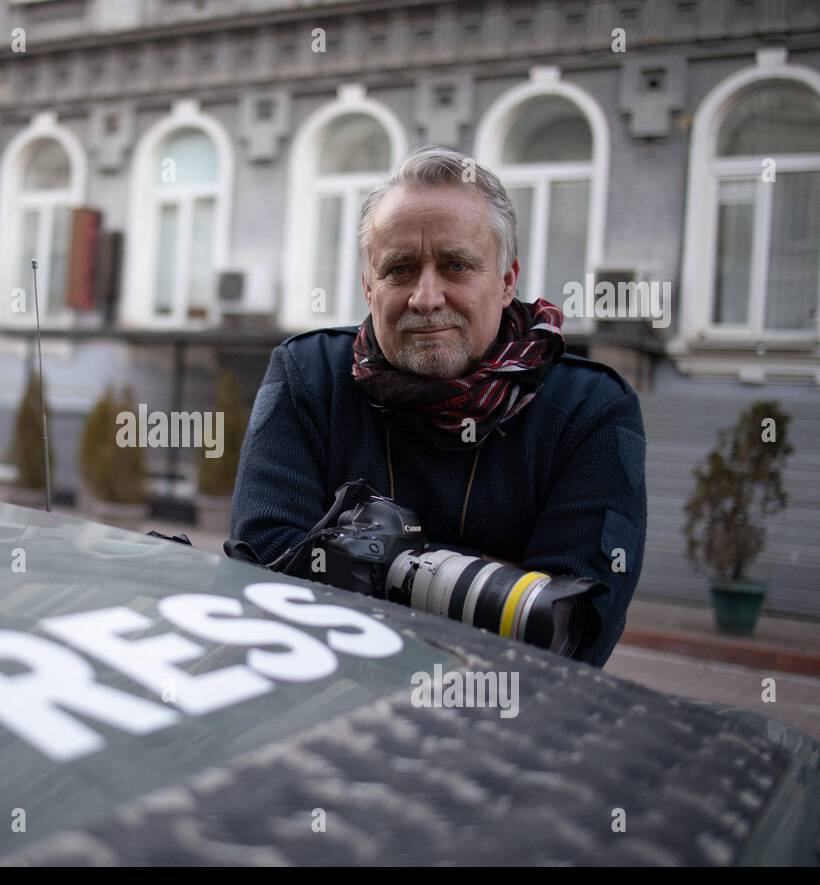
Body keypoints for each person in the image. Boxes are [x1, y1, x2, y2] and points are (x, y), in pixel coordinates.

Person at [229, 145, 646, 667]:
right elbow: (260, 571)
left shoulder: (589, 408)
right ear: (368, 287)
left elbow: (572, 631)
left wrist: (357, 561)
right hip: (321, 697)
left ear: (507, 281)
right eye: (400, 269)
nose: (426, 297)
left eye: (456, 266)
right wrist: (497, 585)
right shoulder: (309, 375)